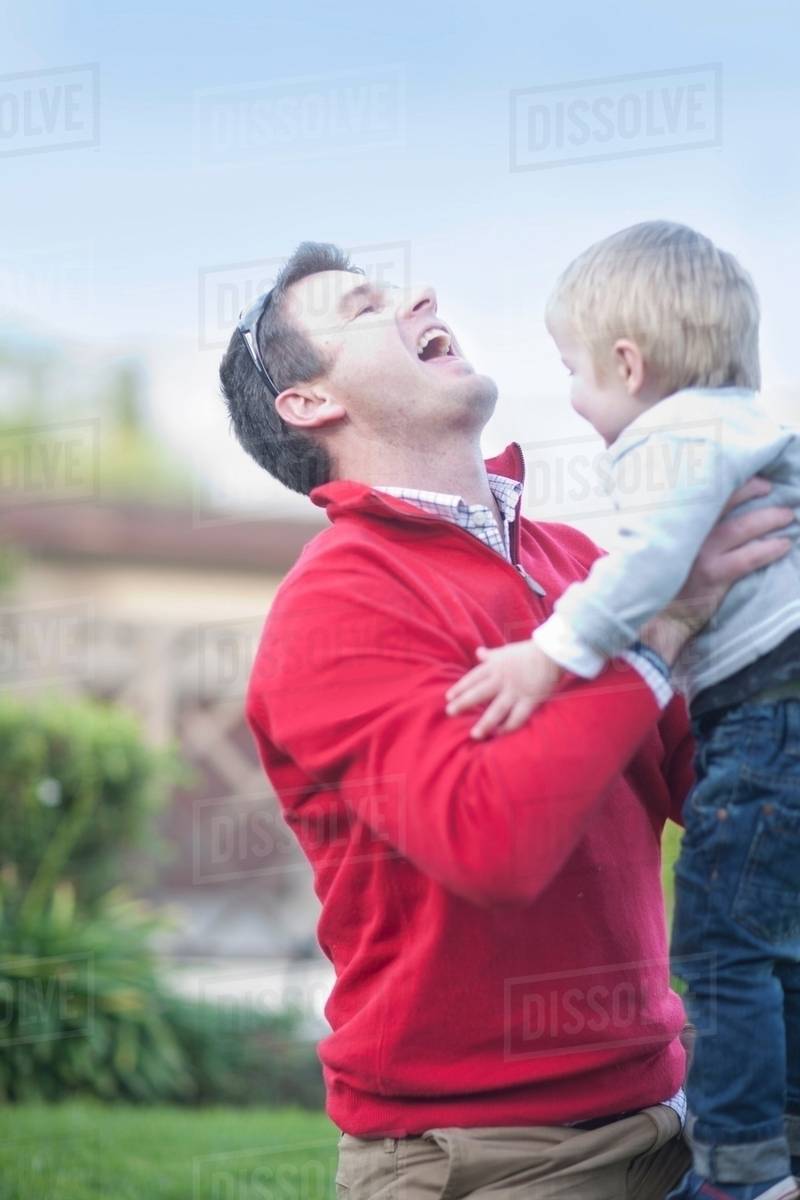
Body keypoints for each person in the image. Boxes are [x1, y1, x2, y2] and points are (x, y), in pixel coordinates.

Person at [219, 241, 794, 1199]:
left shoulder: (581, 561)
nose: (419, 297)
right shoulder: (334, 605)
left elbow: (728, 783)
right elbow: (491, 842)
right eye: (366, 307)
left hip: (680, 1116)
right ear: (309, 402)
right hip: (493, 1158)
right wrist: (659, 632)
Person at [447, 221, 800, 1200]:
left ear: (625, 364)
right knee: (779, 940)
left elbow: (648, 564)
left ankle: (741, 1172)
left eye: (571, 371)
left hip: (761, 718)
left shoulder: (665, 437)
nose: (568, 395)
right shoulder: (751, 426)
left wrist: (546, 652)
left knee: (724, 949)